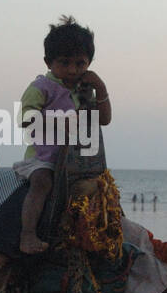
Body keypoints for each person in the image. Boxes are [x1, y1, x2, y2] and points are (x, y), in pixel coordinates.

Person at [16, 16, 112, 253]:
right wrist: (58, 123)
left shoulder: (83, 91)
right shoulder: (41, 88)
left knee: (102, 190)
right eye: (65, 63)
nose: (72, 70)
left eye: (80, 64)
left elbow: (104, 119)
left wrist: (100, 88)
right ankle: (27, 235)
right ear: (49, 63)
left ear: (89, 62)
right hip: (43, 158)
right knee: (42, 183)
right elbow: (25, 119)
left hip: (74, 163)